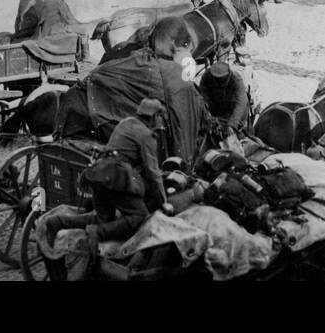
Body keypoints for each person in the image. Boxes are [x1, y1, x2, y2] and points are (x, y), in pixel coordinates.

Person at [43, 98, 173, 250]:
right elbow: (153, 171)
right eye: (161, 117)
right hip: (116, 177)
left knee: (103, 218)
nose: (161, 122)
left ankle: (58, 222)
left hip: (98, 173)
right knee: (139, 216)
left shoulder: (125, 123)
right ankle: (98, 234)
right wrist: (164, 201)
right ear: (154, 116)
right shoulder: (146, 135)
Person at [199, 59, 249, 136]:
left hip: (233, 111)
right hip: (217, 109)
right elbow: (203, 96)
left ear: (228, 75)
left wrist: (232, 124)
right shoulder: (207, 76)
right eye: (217, 79)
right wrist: (207, 114)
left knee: (241, 135)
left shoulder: (236, 79)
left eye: (222, 80)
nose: (220, 83)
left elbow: (241, 102)